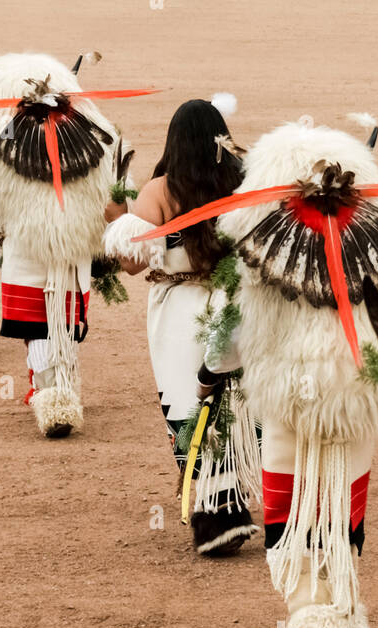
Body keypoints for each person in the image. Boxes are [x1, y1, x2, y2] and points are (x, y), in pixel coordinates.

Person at [212, 118, 378, 628]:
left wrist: (210, 376)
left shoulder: (258, 248)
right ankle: (340, 605)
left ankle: (310, 620)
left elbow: (229, 333)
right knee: (339, 511)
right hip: (358, 398)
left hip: (287, 399)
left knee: (287, 511)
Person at [104, 96, 260, 555]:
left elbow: (132, 265)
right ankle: (231, 506)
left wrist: (116, 219)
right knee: (233, 400)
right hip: (235, 303)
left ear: (174, 141)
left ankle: (214, 519)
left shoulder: (158, 191)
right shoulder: (244, 182)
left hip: (178, 310)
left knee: (190, 402)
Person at [0, 52, 126, 437]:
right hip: (73, 248)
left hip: (27, 244)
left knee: (37, 326)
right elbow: (115, 193)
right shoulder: (97, 135)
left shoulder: (5, 134)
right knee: (61, 322)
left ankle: (51, 396)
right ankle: (59, 391)